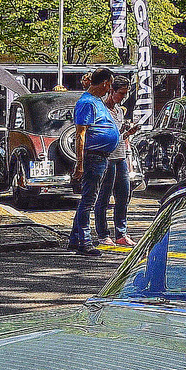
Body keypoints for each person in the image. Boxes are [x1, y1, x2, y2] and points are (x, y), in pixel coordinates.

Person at [67, 67, 119, 256]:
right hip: (93, 156)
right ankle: (84, 241)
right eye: (110, 84)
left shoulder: (96, 101)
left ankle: (75, 238)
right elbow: (80, 134)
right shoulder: (87, 102)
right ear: (105, 83)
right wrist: (79, 164)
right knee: (89, 200)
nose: (110, 89)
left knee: (89, 198)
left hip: (101, 155)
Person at [94, 78, 135, 248]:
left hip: (120, 156)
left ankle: (121, 232)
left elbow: (119, 137)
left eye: (126, 94)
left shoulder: (119, 110)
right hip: (107, 157)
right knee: (103, 197)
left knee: (123, 195)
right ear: (111, 90)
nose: (123, 97)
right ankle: (103, 233)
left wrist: (127, 134)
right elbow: (103, 134)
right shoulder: (102, 109)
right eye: (121, 93)